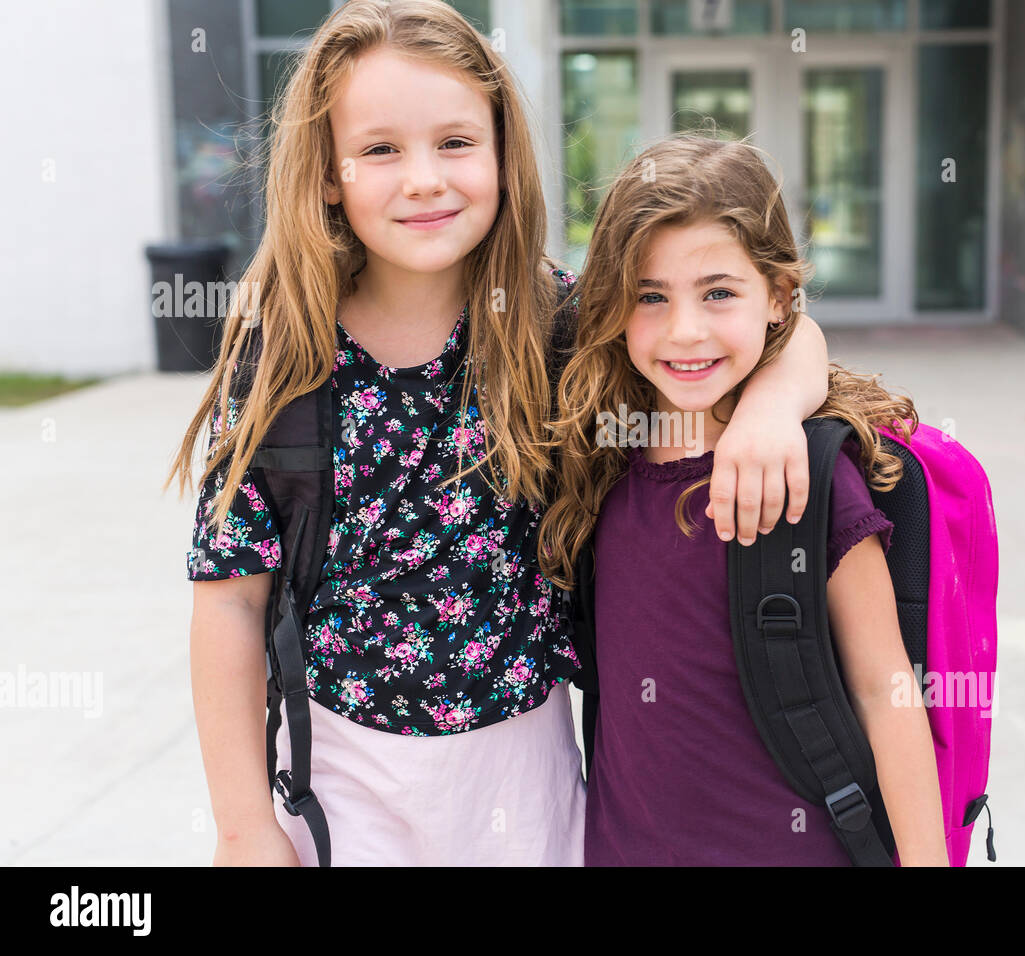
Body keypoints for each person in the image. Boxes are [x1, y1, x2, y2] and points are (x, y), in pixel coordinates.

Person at [162, 1, 831, 866]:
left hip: (525, 773)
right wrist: (244, 829)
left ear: (505, 153)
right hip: (336, 776)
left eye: (455, 142)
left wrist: (778, 400)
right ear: (328, 175)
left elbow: (780, 325)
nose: (424, 180)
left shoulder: (561, 322)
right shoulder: (281, 354)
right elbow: (228, 599)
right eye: (379, 150)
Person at [539, 134, 949, 866]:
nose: (685, 330)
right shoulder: (603, 450)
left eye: (719, 292)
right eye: (650, 296)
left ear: (779, 298)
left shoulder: (806, 476)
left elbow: (887, 697)